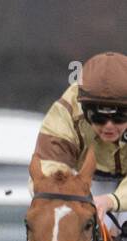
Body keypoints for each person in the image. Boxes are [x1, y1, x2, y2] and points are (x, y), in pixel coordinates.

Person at [33, 51, 127, 217]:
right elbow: (49, 173)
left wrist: (112, 201)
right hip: (85, 178)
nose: (109, 126)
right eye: (98, 118)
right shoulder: (66, 111)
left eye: (119, 118)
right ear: (85, 111)